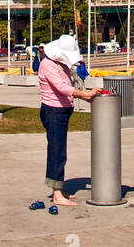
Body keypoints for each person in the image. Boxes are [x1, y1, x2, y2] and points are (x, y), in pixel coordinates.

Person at [33, 34, 101, 211]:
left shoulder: (59, 64)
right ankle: (57, 194)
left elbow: (66, 86)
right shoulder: (47, 66)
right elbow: (62, 88)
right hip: (53, 111)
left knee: (59, 150)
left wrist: (82, 96)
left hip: (61, 110)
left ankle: (59, 190)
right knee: (57, 152)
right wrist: (84, 94)